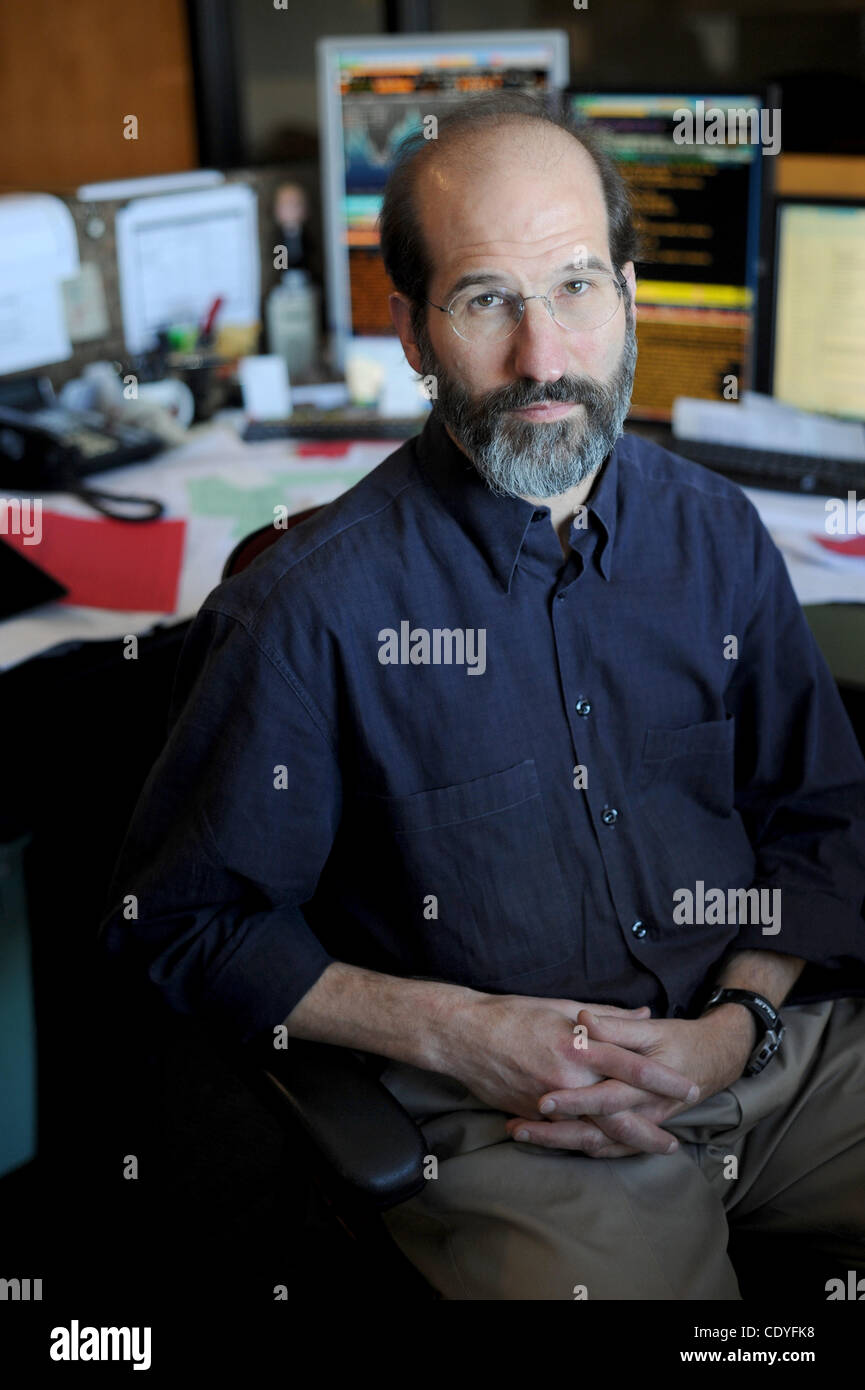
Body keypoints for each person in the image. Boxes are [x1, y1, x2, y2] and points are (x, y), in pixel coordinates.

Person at [98, 93, 865, 1300]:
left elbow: (820, 821)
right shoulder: (307, 609)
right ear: (409, 329)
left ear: (628, 291)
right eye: (485, 299)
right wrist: (470, 1035)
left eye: (573, 287)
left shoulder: (716, 535)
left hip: (765, 1056)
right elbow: (187, 924)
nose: (544, 358)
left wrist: (732, 1029)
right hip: (512, 1121)